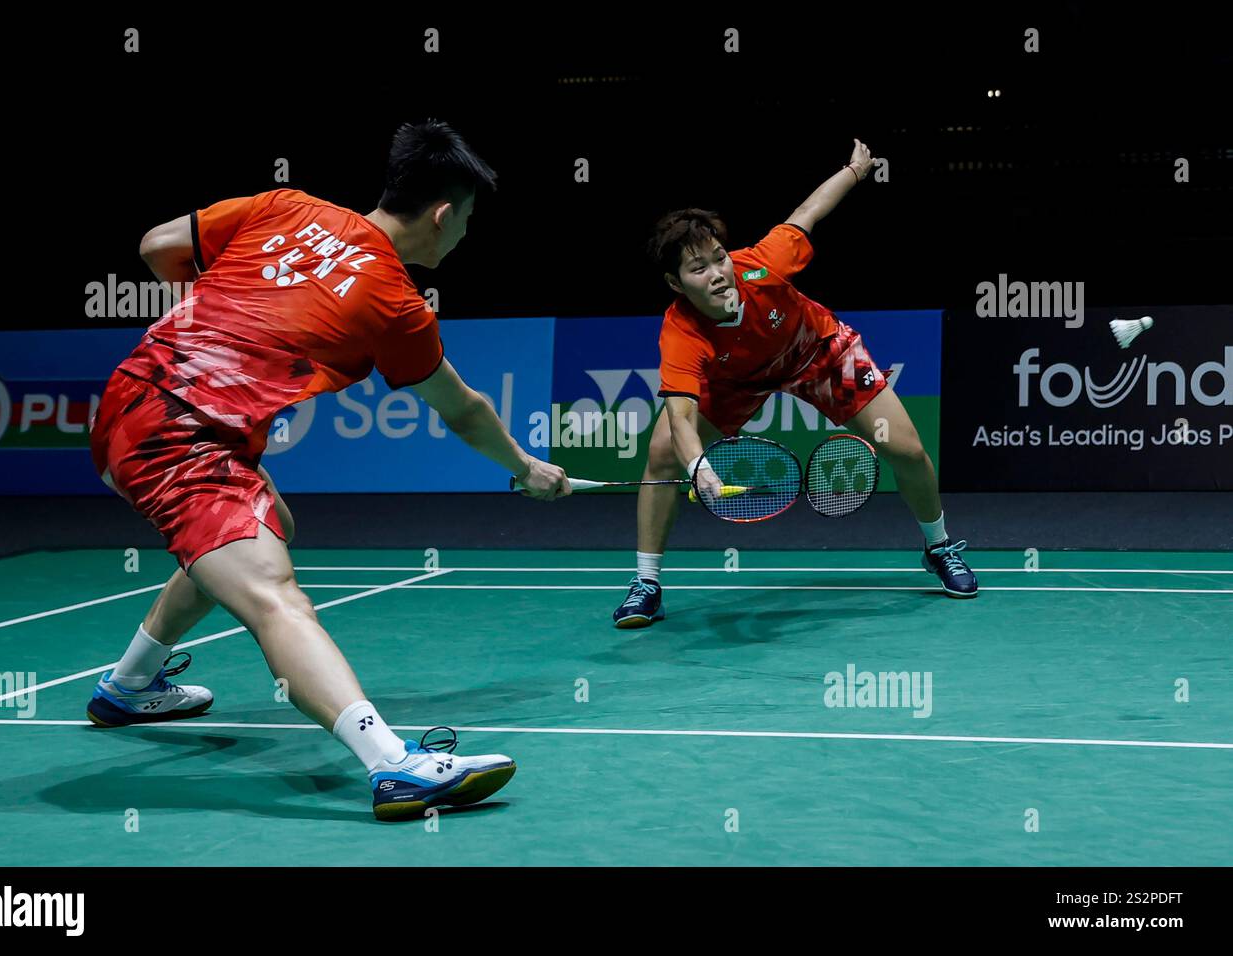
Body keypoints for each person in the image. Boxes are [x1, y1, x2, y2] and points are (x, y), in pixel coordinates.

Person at [87, 120, 570, 820]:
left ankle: (127, 686)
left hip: (142, 395)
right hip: (178, 437)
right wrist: (527, 467)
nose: (464, 234)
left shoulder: (288, 206)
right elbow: (462, 410)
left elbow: (157, 246)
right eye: (466, 220)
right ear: (441, 214)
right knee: (275, 596)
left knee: (271, 524)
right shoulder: (396, 304)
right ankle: (394, 765)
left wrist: (214, 326)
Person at [613, 139, 977, 628]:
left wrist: (855, 169)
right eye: (699, 269)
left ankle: (938, 548)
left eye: (719, 257)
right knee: (661, 454)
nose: (719, 274)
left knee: (906, 449)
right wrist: (698, 465)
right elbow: (681, 416)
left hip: (818, 352)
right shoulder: (681, 331)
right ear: (676, 283)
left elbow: (809, 211)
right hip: (736, 381)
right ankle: (647, 583)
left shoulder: (764, 265)